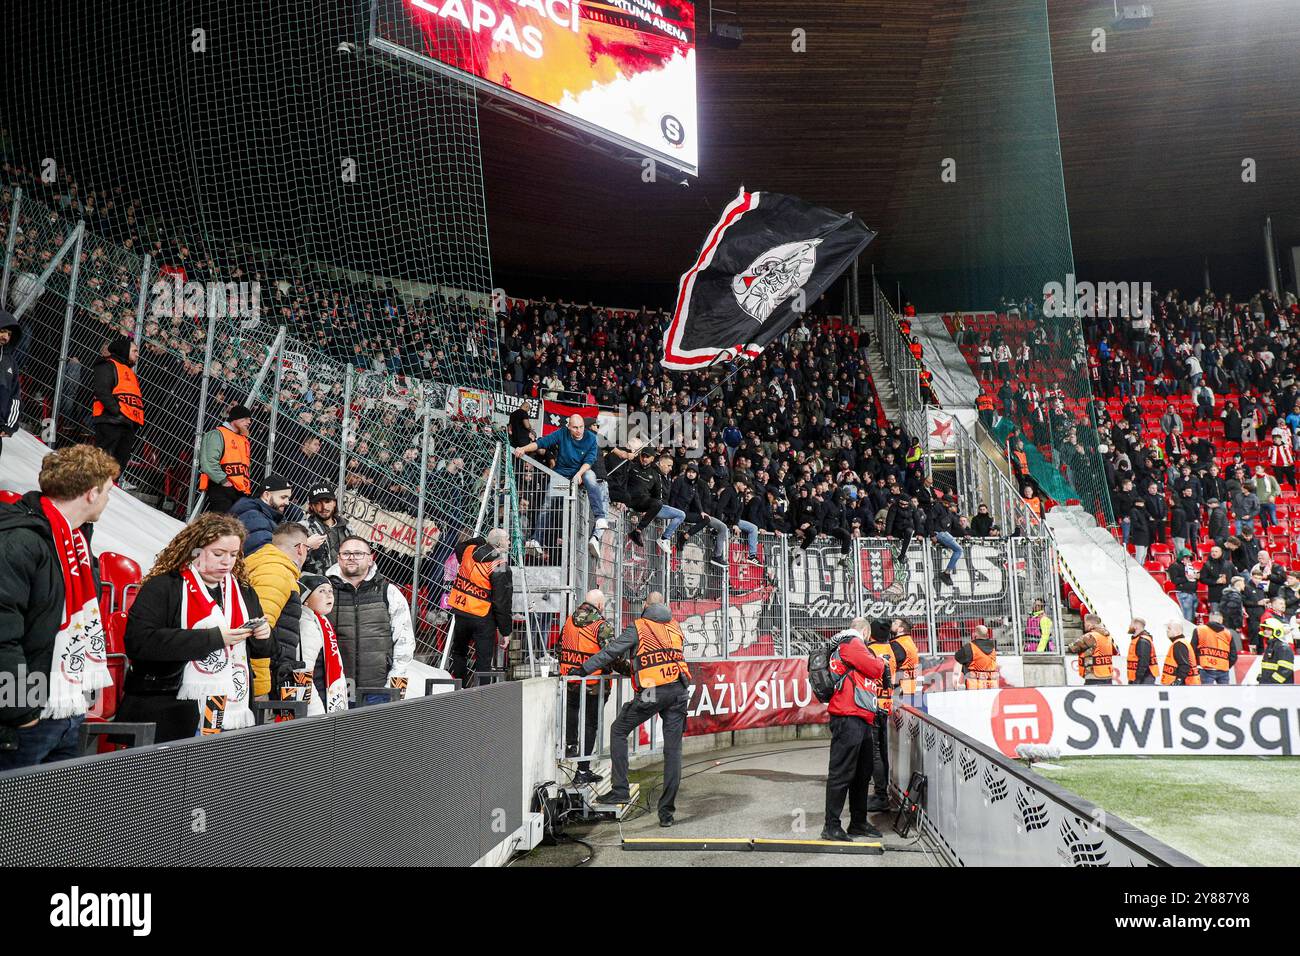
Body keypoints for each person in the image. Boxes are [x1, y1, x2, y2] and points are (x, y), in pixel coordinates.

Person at [0, 445, 118, 769]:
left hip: (65, 705)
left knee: (49, 817)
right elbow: (3, 634)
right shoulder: (21, 541)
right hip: (28, 715)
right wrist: (21, 710)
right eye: (108, 491)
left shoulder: (76, 540)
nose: (109, 500)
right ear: (92, 493)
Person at [118, 514, 274, 741]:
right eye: (218, 554)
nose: (227, 562)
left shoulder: (243, 591)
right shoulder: (164, 586)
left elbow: (265, 650)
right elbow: (140, 642)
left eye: (233, 554)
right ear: (195, 551)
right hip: (168, 708)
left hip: (230, 710)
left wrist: (264, 636)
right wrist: (213, 638)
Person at [580, 592, 690, 828]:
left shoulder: (639, 627)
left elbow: (611, 652)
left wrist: (582, 670)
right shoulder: (675, 626)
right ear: (663, 605)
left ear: (646, 605)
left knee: (618, 729)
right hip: (680, 691)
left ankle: (620, 790)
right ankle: (667, 814)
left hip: (652, 692)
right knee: (673, 752)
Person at [818, 620, 887, 842]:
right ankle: (831, 826)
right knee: (841, 773)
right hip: (848, 716)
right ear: (865, 631)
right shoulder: (852, 642)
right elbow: (876, 669)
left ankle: (858, 822)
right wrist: (879, 660)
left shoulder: (850, 645)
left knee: (862, 773)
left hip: (861, 716)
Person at [327, 536, 414, 702]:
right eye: (346, 553)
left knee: (376, 729)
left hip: (379, 688)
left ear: (370, 559)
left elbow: (404, 641)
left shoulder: (388, 592)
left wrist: (395, 686)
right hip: (335, 689)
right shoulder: (324, 591)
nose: (351, 557)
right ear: (338, 558)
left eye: (358, 553)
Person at [515, 414, 608, 560]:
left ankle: (600, 517)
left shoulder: (591, 438)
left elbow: (590, 460)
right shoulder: (562, 433)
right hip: (562, 474)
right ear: (568, 427)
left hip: (581, 473)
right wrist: (524, 449)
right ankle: (536, 540)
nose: (579, 430)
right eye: (575, 427)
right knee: (549, 505)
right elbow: (542, 442)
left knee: (591, 476)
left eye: (581, 427)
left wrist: (579, 474)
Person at [245, 521, 309, 700]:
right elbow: (259, 631)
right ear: (301, 548)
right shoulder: (275, 573)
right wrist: (260, 688)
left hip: (272, 673)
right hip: (264, 680)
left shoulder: (275, 569)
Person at [558, 588, 615, 785]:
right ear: (599, 606)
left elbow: (559, 647)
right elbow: (611, 654)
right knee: (590, 724)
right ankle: (583, 769)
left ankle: (571, 746)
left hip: (570, 679)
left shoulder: (568, 621)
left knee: (572, 710)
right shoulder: (602, 626)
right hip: (594, 682)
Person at [446, 528, 513, 687]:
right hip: (483, 616)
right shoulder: (500, 565)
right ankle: (483, 694)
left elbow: (459, 546)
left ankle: (459, 688)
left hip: (461, 611)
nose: (509, 542)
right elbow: (502, 602)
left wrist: (481, 541)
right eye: (507, 539)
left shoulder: (469, 551)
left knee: (459, 652)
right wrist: (505, 631)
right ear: (499, 543)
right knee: (483, 658)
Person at [89, 335, 144, 477]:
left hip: (127, 424)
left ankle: (109, 493)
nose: (138, 354)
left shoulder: (129, 371)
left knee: (118, 466)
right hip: (111, 421)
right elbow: (102, 391)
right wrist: (116, 411)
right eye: (135, 351)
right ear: (125, 350)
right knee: (101, 463)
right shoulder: (107, 364)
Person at [296, 574, 349, 715]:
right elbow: (303, 672)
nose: (329, 595)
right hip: (316, 703)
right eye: (321, 591)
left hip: (324, 696)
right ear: (305, 600)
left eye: (330, 591)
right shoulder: (307, 625)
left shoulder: (321, 622)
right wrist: (315, 710)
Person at [865, 618, 897, 812]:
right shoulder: (892, 649)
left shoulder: (870, 651)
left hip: (874, 704)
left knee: (875, 752)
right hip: (888, 704)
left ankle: (880, 794)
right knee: (883, 751)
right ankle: (883, 791)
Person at [199, 404, 255, 513]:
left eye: (249, 419)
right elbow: (208, 463)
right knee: (220, 524)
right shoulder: (217, 434)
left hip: (240, 492)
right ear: (235, 419)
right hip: (221, 488)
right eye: (245, 419)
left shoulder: (243, 439)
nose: (249, 422)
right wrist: (224, 481)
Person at [303, 485, 351, 576]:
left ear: (334, 503)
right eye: (318, 503)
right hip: (316, 585)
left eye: (327, 501)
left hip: (345, 583)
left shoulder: (347, 528)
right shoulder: (303, 528)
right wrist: (306, 546)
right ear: (311, 506)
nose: (324, 507)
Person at [1068, 614, 1115, 685]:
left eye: (1085, 623)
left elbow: (1072, 648)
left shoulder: (1090, 636)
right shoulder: (1107, 636)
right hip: (1107, 674)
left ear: (1089, 624)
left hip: (1094, 676)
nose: (1084, 625)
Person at [0, 309, 20, 462]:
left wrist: (9, 425)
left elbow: (15, 395)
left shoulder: (11, 362)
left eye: (9, 334)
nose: (5, 337)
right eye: (3, 331)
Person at [1193, 611, 1235, 685]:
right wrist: (1226, 665)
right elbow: (1233, 655)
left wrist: (1198, 664)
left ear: (1209, 619)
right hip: (1223, 669)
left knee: (1206, 695)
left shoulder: (1199, 630)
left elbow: (1192, 650)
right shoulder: (1228, 633)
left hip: (1205, 668)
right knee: (1224, 694)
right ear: (1221, 620)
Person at [955, 624, 998, 689]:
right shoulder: (993, 646)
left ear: (975, 634)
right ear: (987, 634)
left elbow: (958, 657)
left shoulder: (970, 647)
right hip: (991, 684)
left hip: (975, 684)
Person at [1160, 620, 1201, 686]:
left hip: (1185, 685)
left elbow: (1184, 666)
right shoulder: (1180, 643)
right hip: (1186, 684)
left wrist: (1178, 681)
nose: (1167, 631)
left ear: (1178, 631)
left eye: (1169, 628)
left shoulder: (1179, 644)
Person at [1258, 617, 1295, 685]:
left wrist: (1272, 682)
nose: (1265, 631)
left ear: (1277, 631)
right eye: (1265, 629)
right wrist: (1263, 678)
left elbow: (1285, 670)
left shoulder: (1283, 648)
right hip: (1271, 686)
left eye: (1269, 629)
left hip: (1280, 688)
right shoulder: (1271, 645)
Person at [1168, 549, 1199, 623]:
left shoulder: (1189, 566)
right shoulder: (1174, 566)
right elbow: (1174, 580)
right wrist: (1186, 578)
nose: (1188, 559)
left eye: (1189, 557)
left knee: (1192, 618)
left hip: (1193, 593)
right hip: (1184, 593)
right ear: (1181, 557)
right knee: (1188, 619)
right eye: (1186, 557)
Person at [1125, 619, 1158, 685]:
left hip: (1144, 678)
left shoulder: (1142, 641)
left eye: (1131, 624)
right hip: (1140, 677)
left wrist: (1138, 679)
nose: (1129, 626)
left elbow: (1143, 662)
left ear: (1136, 626)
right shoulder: (1138, 639)